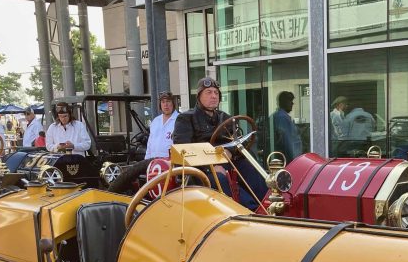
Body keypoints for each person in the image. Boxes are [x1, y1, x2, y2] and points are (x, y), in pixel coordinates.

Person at [172, 77, 268, 208]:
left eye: (216, 93)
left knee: (250, 166)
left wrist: (230, 151)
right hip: (200, 171)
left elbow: (239, 142)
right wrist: (209, 167)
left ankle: (267, 204)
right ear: (199, 96)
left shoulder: (225, 118)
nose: (213, 96)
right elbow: (183, 153)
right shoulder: (185, 119)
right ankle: (249, 209)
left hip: (227, 163)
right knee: (220, 178)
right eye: (208, 92)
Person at [107, 91, 179, 193]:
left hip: (168, 165)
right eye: (163, 102)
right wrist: (145, 163)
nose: (166, 105)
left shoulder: (179, 120)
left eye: (168, 101)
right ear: (160, 104)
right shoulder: (155, 121)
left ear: (173, 103)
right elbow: (150, 144)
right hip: (152, 165)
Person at [271, 91, 302, 161]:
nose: (292, 103)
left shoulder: (282, 116)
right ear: (284, 102)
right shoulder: (282, 117)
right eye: (290, 101)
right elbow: (287, 142)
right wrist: (294, 160)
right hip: (290, 160)